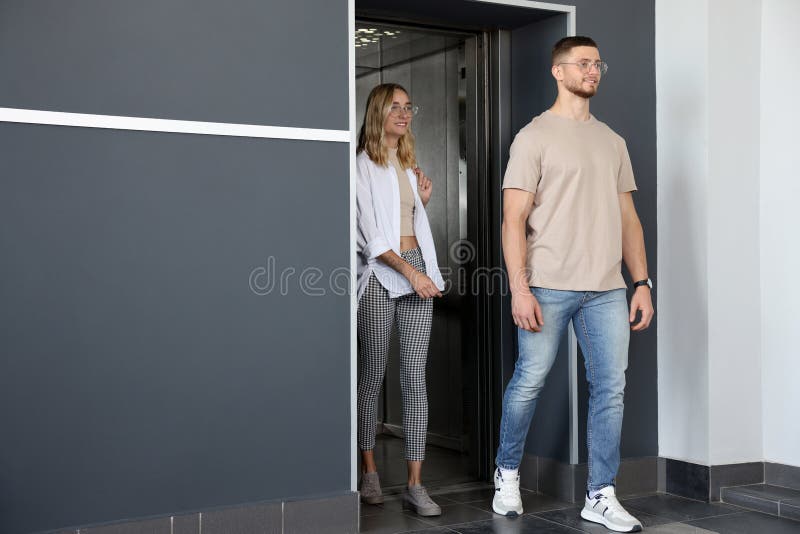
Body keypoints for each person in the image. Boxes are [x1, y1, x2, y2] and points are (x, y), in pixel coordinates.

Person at [491, 36, 654, 533]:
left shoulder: (612, 141)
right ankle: (507, 472)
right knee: (529, 381)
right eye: (583, 63)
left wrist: (642, 282)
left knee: (610, 389)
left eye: (598, 63)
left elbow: (629, 219)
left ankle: (600, 494)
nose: (594, 70)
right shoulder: (533, 137)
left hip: (605, 288)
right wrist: (520, 289)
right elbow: (512, 220)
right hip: (547, 286)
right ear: (557, 71)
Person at [355, 83, 446, 517]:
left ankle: (414, 484)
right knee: (373, 372)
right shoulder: (361, 166)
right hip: (381, 273)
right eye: (396, 106)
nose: (404, 113)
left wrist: (421, 202)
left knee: (414, 377)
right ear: (378, 112)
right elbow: (374, 240)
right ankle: (368, 470)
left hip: (415, 263)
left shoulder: (408, 165)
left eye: (409, 106)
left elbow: (407, 222)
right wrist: (412, 273)